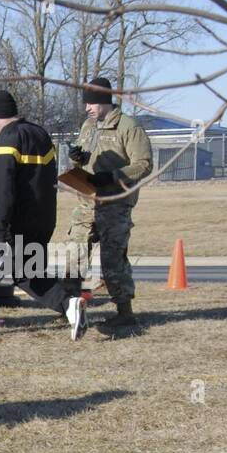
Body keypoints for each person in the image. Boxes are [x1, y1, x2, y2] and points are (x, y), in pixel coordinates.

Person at [0, 91, 88, 340]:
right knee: (27, 273)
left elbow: (2, 191)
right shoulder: (40, 135)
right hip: (42, 220)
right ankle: (70, 305)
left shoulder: (5, 143)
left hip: (11, 223)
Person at [66, 77, 153, 332]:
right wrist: (77, 159)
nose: (87, 108)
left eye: (91, 103)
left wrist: (114, 176)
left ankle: (124, 314)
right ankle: (68, 307)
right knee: (74, 253)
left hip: (115, 203)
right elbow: (83, 159)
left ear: (105, 101)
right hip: (86, 199)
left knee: (112, 258)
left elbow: (144, 164)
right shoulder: (89, 126)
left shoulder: (129, 127)